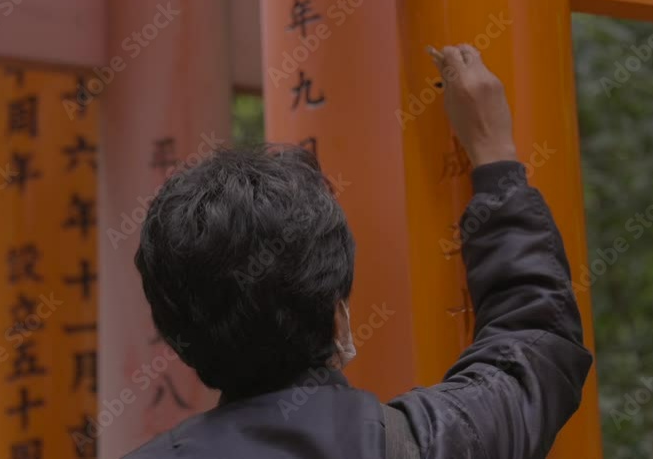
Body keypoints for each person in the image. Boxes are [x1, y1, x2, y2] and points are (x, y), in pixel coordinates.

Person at [125, 44, 593, 459]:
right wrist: (494, 154)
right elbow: (537, 344)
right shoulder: (428, 443)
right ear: (338, 320)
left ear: (178, 337)